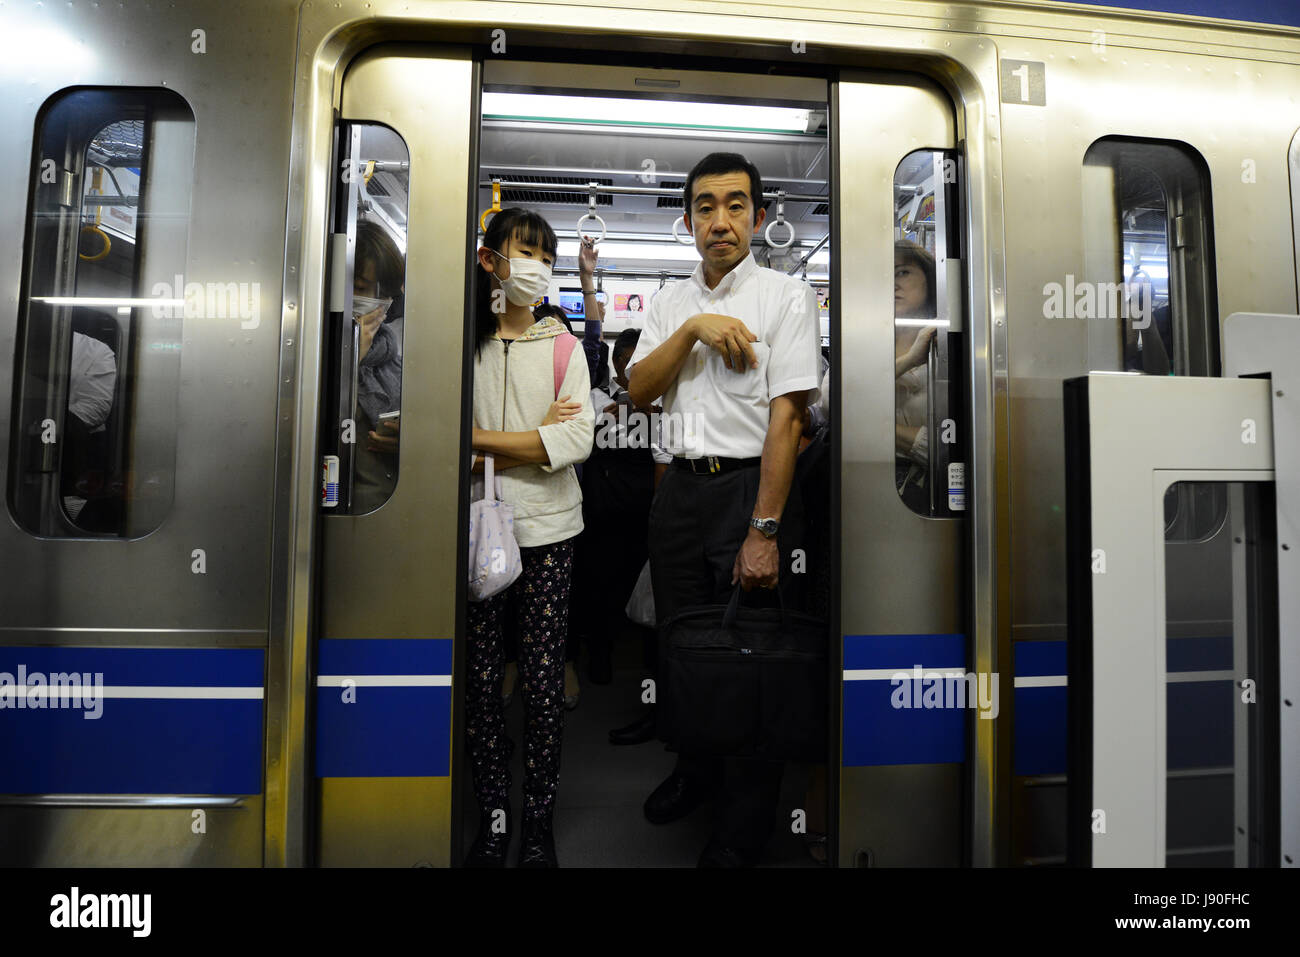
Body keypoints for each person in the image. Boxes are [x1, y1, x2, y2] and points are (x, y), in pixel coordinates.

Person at [627, 151, 821, 867]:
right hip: (679, 493)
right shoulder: (668, 304)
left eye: (736, 205)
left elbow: (788, 420)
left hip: (751, 491)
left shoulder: (785, 297)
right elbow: (641, 391)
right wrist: (693, 330)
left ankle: (743, 830)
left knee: (753, 658)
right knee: (682, 648)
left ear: (760, 218)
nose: (720, 220)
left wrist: (764, 530)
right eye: (705, 206)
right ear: (687, 221)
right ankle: (694, 772)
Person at [464, 206, 594, 868]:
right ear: (490, 260)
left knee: (543, 684)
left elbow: (575, 441)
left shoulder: (564, 347)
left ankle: (538, 817)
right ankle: (493, 815)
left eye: (547, 254)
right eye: (525, 251)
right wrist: (532, 439)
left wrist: (480, 442)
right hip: (478, 529)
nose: (538, 266)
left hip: (548, 533)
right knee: (484, 682)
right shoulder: (466, 344)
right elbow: (436, 440)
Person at [350, 220, 406, 514]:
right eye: (361, 288)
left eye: (385, 295)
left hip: (394, 508)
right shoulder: (311, 356)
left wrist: (407, 441)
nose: (376, 303)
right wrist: (350, 358)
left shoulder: (391, 356)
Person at [893, 240, 939, 512]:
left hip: (927, 499)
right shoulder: (866, 339)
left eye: (903, 272)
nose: (893, 283)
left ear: (929, 280)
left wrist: (870, 427)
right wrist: (907, 362)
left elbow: (949, 448)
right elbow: (831, 405)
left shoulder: (947, 346)